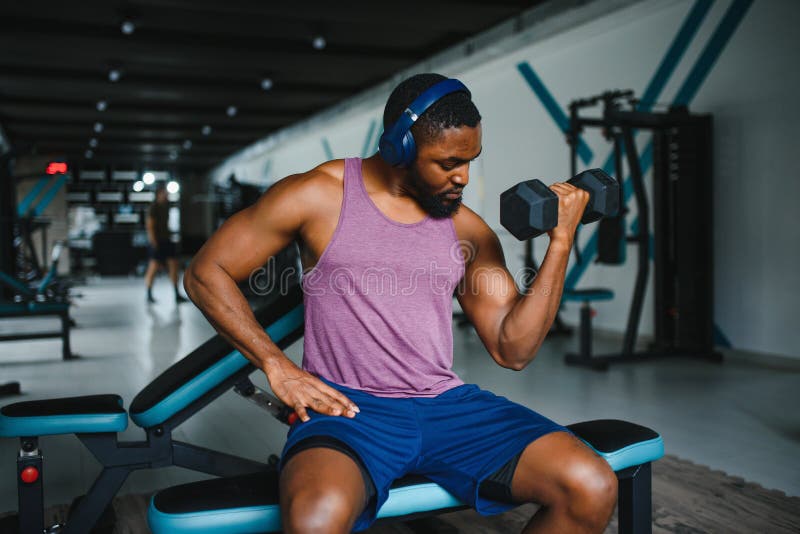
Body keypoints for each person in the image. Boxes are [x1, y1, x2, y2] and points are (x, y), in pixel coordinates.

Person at [184, 73, 617, 533]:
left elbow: (514, 349)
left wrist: (561, 242)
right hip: (349, 411)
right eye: (449, 162)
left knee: (590, 484)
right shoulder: (318, 194)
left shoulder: (467, 230)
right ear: (400, 148)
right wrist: (278, 365)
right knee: (315, 518)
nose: (463, 177)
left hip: (446, 405)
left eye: (471, 161)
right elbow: (205, 272)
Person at [144, 183, 187, 304]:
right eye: (165, 192)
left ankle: (176, 294)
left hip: (167, 241)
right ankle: (148, 294)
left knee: (174, 266)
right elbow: (150, 226)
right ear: (159, 194)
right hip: (157, 242)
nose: (167, 194)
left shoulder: (167, 206)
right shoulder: (154, 207)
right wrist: (154, 243)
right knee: (153, 268)